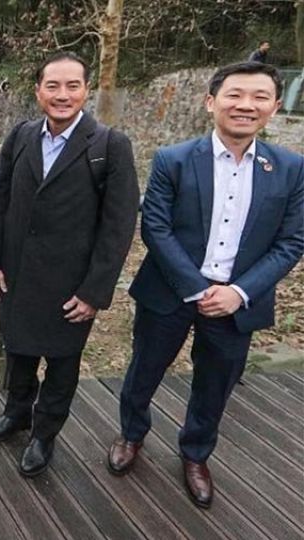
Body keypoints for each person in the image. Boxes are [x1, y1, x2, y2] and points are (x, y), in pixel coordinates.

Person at [108, 61, 303, 508]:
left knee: (216, 383)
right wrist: (196, 287)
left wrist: (238, 292)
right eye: (235, 94)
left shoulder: (291, 168)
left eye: (258, 97)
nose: (245, 105)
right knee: (143, 372)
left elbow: (292, 240)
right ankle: (131, 434)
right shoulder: (173, 159)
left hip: (239, 301)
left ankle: (196, 454)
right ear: (211, 102)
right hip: (170, 291)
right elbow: (155, 226)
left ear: (274, 107)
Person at [0, 52, 140, 477]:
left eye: (72, 86)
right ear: (38, 92)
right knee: (19, 351)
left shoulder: (110, 145)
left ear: (87, 90)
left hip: (72, 282)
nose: (62, 95)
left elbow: (119, 225)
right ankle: (17, 414)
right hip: (18, 273)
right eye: (53, 86)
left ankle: (44, 433)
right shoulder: (22, 135)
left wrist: (94, 291)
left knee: (62, 362)